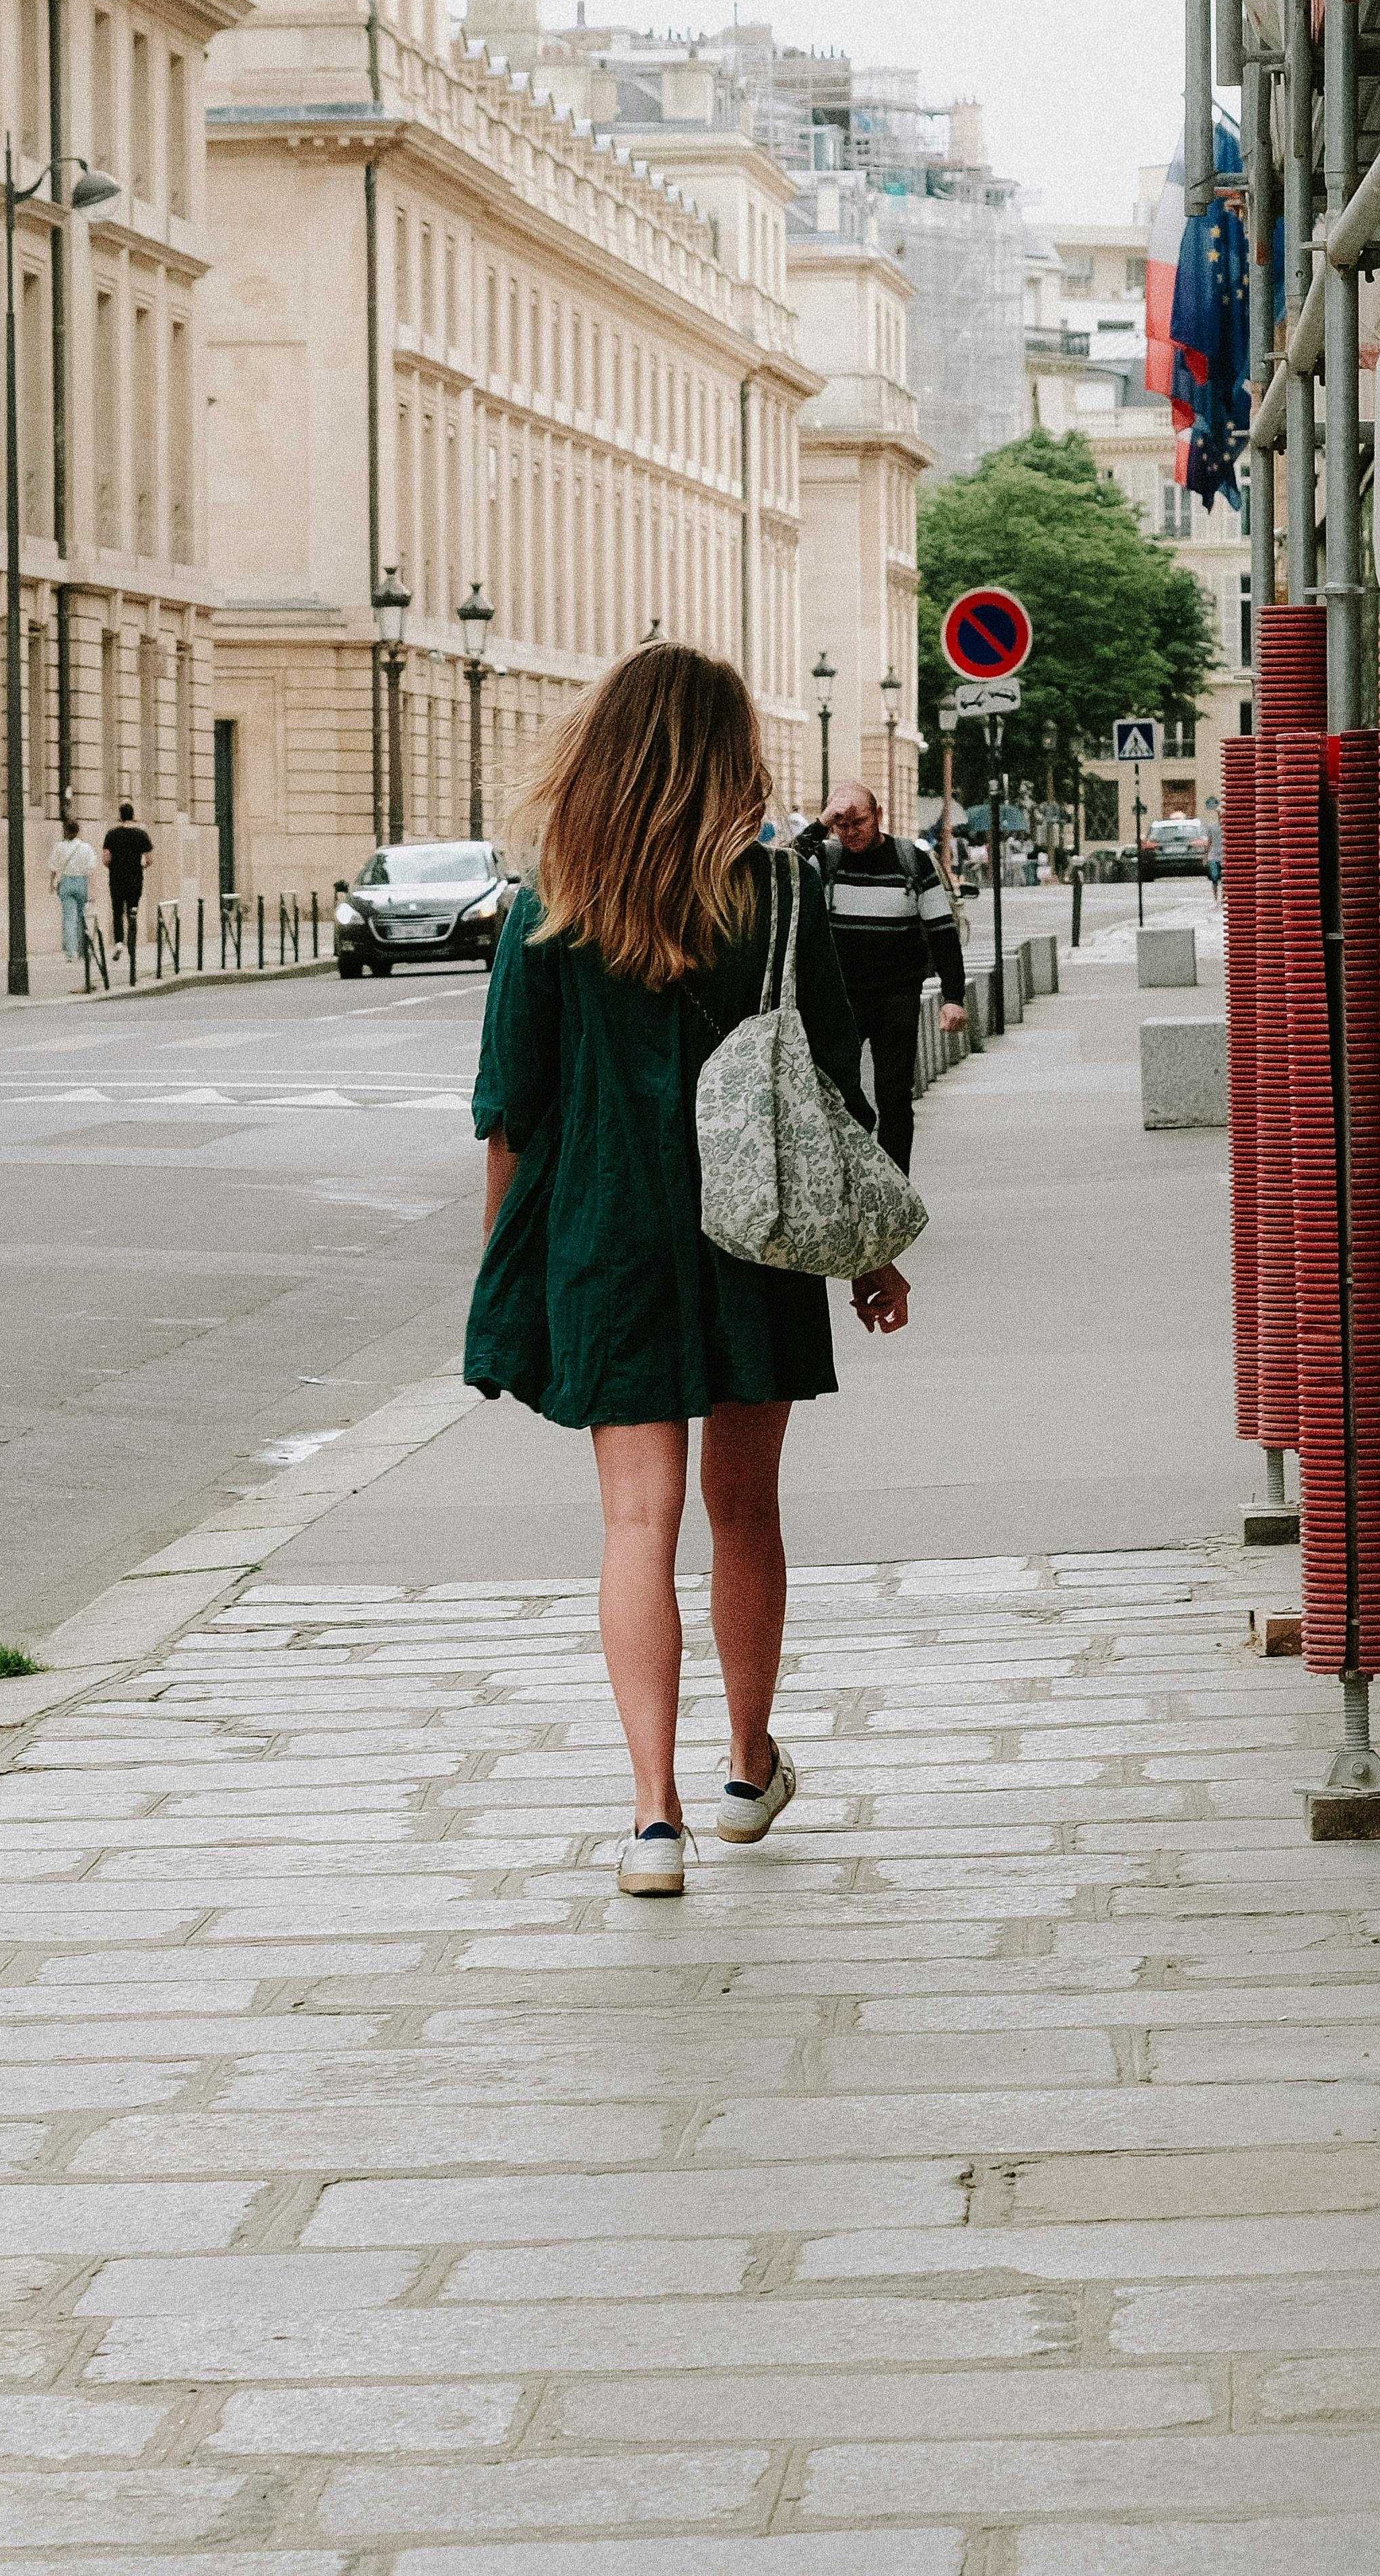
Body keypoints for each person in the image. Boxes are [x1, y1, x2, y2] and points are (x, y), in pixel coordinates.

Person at [464, 643, 913, 1899]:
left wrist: (503, 1267)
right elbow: (825, 1083)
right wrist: (869, 1251)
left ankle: (651, 1818)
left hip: (605, 1236)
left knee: (633, 1522)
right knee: (745, 1510)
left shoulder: (553, 896)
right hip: (751, 1230)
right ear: (729, 754)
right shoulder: (775, 889)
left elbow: (511, 1107)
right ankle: (746, 1765)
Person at [802, 780, 965, 1173]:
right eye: (842, 824)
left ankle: (895, 1191)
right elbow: (784, 865)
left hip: (897, 997)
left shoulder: (912, 860)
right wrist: (821, 824)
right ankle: (857, 1176)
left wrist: (953, 997)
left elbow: (943, 931)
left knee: (894, 1097)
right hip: (840, 999)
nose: (851, 831)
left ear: (879, 816)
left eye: (859, 821)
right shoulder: (826, 860)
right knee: (837, 1091)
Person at [46, 819, 99, 964]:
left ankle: (70, 953)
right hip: (81, 882)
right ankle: (83, 951)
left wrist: (52, 883)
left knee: (69, 919)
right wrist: (92, 890)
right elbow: (91, 871)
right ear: (78, 831)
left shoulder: (59, 847)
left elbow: (54, 867)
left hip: (66, 882)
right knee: (82, 917)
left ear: (66, 831)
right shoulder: (86, 848)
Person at [102, 804, 154, 935]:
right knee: (133, 910)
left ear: (120, 816)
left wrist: (114, 866)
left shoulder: (111, 835)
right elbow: (149, 860)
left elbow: (106, 859)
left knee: (118, 911)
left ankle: (119, 942)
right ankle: (132, 945)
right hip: (135, 878)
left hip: (117, 878)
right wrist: (141, 866)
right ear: (133, 816)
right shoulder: (141, 834)